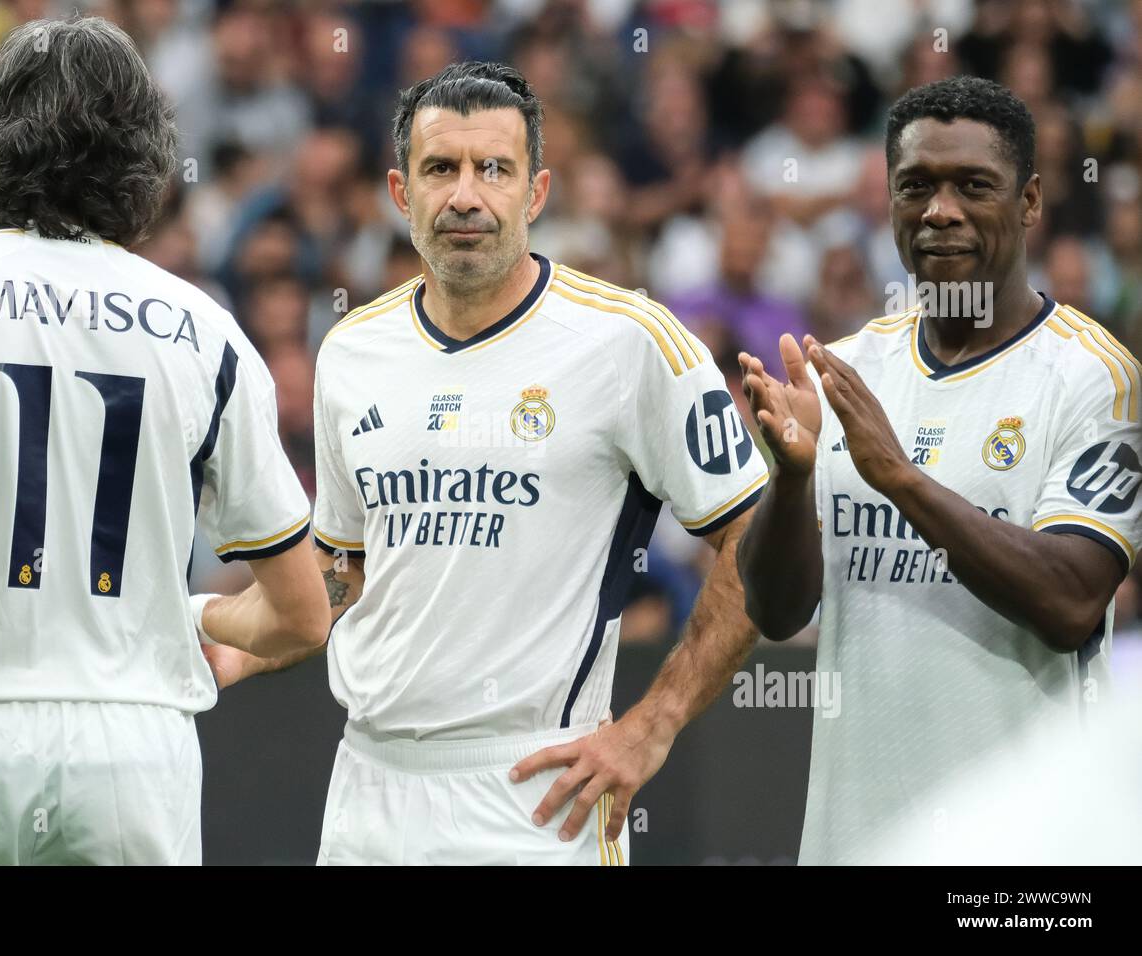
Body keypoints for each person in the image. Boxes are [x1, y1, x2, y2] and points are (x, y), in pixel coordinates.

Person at [196, 60, 767, 865]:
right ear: (401, 194)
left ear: (536, 193)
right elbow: (346, 571)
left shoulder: (631, 342)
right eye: (441, 169)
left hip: (537, 796)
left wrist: (653, 724)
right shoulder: (352, 349)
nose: (466, 195)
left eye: (494, 169)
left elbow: (760, 539)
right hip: (366, 791)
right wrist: (241, 641)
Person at [0, 16, 329, 866]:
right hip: (132, 757)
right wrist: (192, 615)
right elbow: (300, 617)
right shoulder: (206, 332)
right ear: (145, 159)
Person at [737, 76, 1142, 864]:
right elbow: (778, 612)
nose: (940, 210)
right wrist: (790, 483)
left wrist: (900, 478)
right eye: (915, 186)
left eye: (972, 187)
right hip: (855, 836)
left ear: (1028, 203)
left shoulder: (1096, 378)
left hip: (1027, 857)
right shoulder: (848, 369)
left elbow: (1069, 601)